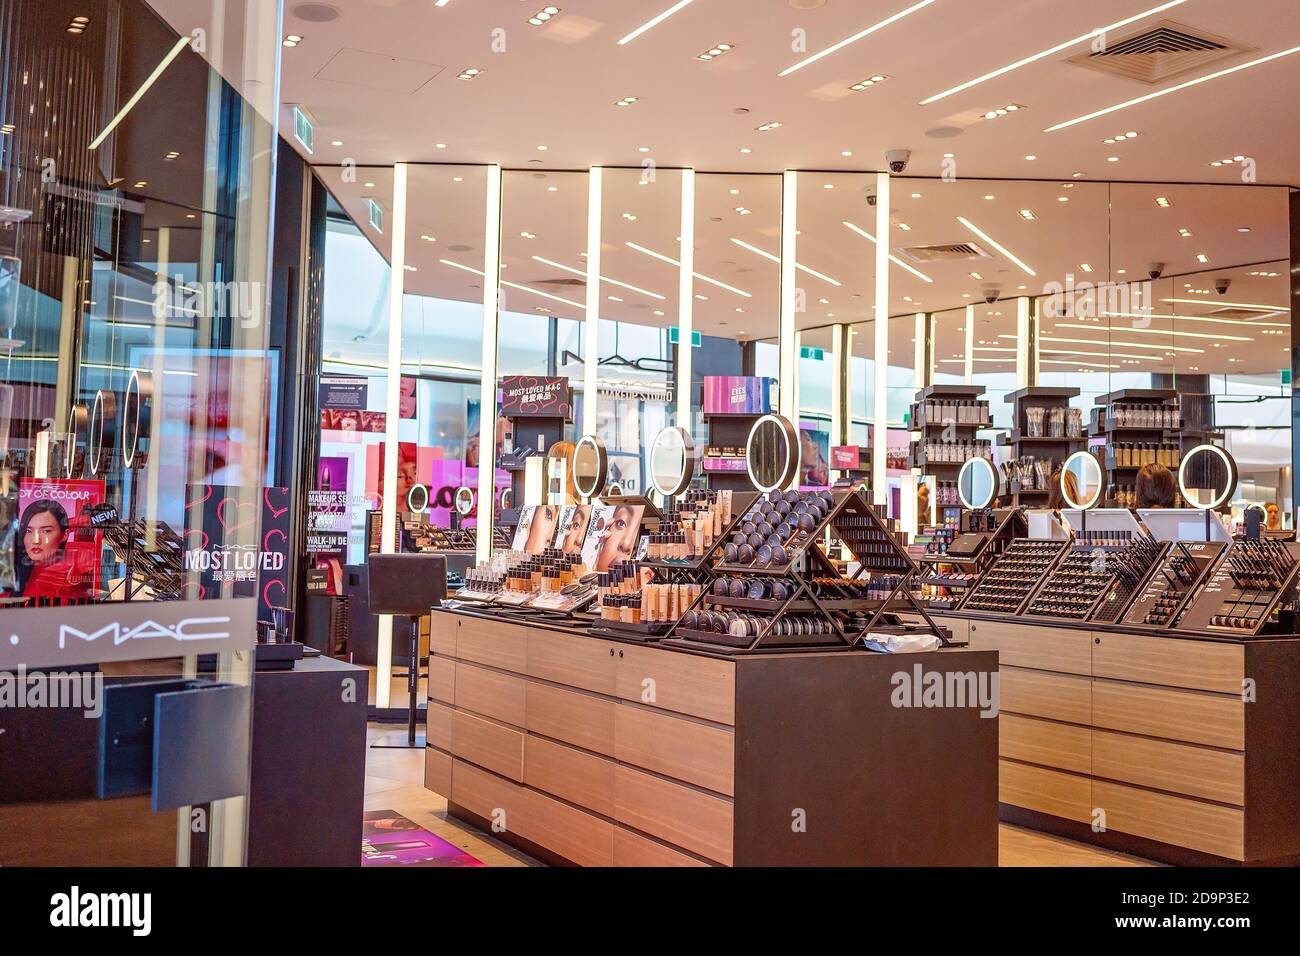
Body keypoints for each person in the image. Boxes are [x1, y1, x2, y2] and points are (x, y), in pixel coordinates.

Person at [16, 499, 93, 600]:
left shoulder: (82, 557)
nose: (36, 540)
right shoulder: (13, 568)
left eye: (46, 531)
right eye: (29, 531)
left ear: (65, 534)